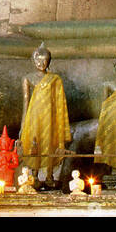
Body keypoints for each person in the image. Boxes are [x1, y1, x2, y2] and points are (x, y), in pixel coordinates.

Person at [20, 43, 70, 187]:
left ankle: (49, 175)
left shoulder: (55, 79)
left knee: (49, 144)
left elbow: (60, 101)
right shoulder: (27, 78)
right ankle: (34, 175)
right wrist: (23, 124)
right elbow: (26, 103)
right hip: (33, 117)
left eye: (45, 61)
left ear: (49, 62)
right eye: (38, 60)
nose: (41, 63)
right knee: (34, 144)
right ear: (33, 61)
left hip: (50, 117)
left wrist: (59, 122)